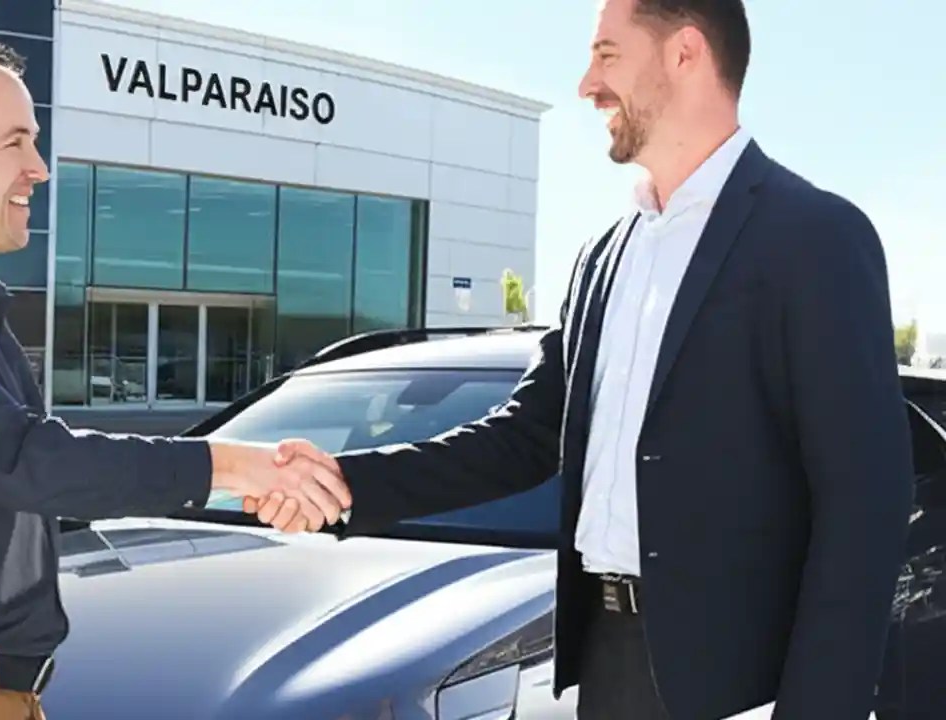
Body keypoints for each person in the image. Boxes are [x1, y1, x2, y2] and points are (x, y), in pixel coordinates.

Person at [255, 0, 915, 718]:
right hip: (607, 662)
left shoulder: (814, 237)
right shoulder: (604, 256)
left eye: (607, 55)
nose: (586, 86)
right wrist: (345, 481)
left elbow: (865, 501)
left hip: (746, 687)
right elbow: (524, 438)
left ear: (685, 53)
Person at [0, 33, 348, 720]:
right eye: (15, 143)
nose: (40, 169)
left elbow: (32, 494)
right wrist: (233, 466)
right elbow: (30, 462)